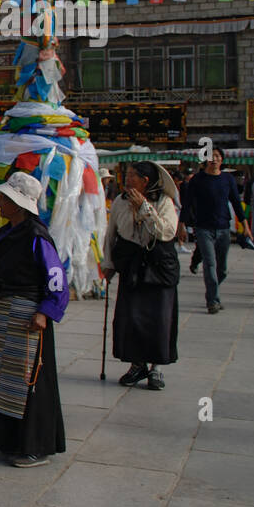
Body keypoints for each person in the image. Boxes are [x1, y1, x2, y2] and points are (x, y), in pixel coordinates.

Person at [0, 172, 69, 468]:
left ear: (18, 204)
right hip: (6, 311)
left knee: (29, 378)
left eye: (4, 199)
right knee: (6, 376)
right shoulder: (8, 232)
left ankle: (34, 446)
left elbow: (55, 277)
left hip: (28, 315)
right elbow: (1, 268)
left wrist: (46, 311)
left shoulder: (36, 236)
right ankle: (8, 440)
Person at [102, 161, 180, 390]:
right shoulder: (120, 202)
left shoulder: (163, 202)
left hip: (158, 266)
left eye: (133, 176)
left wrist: (145, 209)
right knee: (131, 318)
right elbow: (111, 235)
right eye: (127, 175)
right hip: (131, 264)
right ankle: (137, 364)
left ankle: (156, 368)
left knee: (159, 318)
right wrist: (108, 264)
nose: (128, 180)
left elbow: (166, 231)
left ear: (146, 181)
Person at [181, 147, 248, 313]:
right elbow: (187, 204)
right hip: (203, 228)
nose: (214, 159)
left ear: (222, 160)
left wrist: (245, 226)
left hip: (224, 228)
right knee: (209, 265)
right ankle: (213, 301)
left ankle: (212, 290)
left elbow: (236, 204)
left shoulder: (228, 179)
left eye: (217, 156)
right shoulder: (197, 180)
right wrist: (181, 225)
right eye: (211, 156)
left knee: (222, 269)